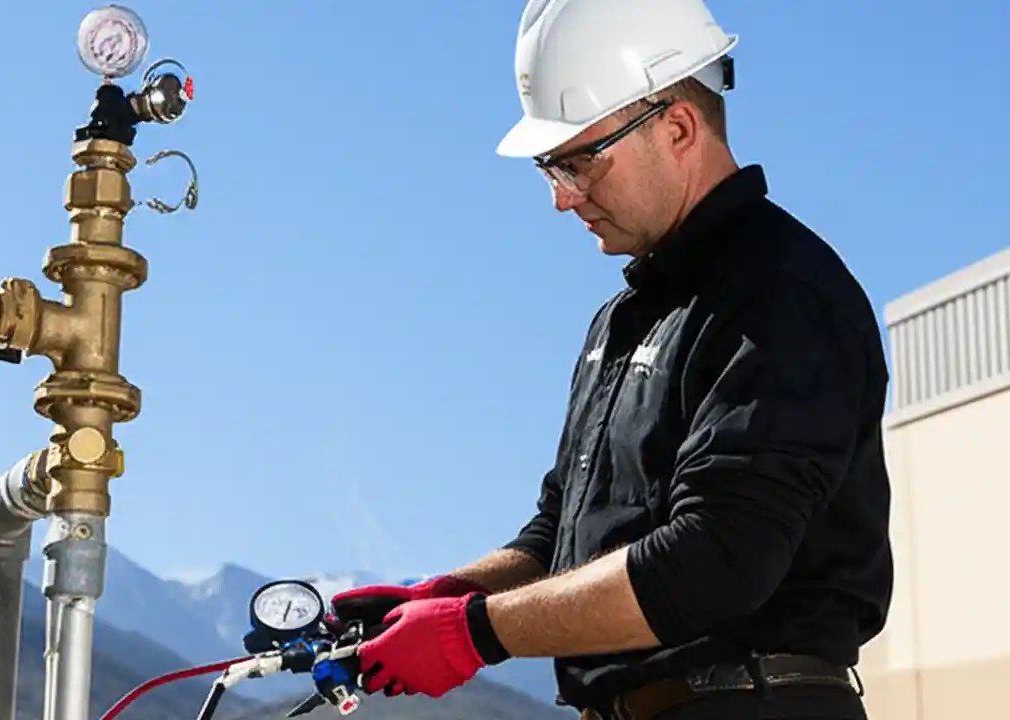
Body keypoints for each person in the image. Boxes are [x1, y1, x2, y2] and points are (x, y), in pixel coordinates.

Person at [330, 1, 894, 718]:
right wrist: (449, 595)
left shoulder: (780, 293)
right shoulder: (625, 320)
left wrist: (475, 633)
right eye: (550, 169)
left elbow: (718, 559)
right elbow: (559, 535)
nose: (564, 199)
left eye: (580, 161)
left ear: (678, 126)